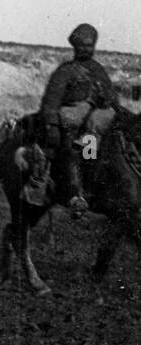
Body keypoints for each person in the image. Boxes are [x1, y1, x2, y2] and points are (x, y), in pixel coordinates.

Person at [38, 23, 119, 218]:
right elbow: (51, 101)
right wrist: (52, 126)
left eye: (89, 45)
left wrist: (107, 100)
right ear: (75, 46)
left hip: (95, 126)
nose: (86, 49)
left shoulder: (99, 70)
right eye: (82, 45)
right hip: (71, 123)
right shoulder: (65, 71)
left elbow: (113, 98)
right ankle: (76, 195)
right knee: (78, 151)